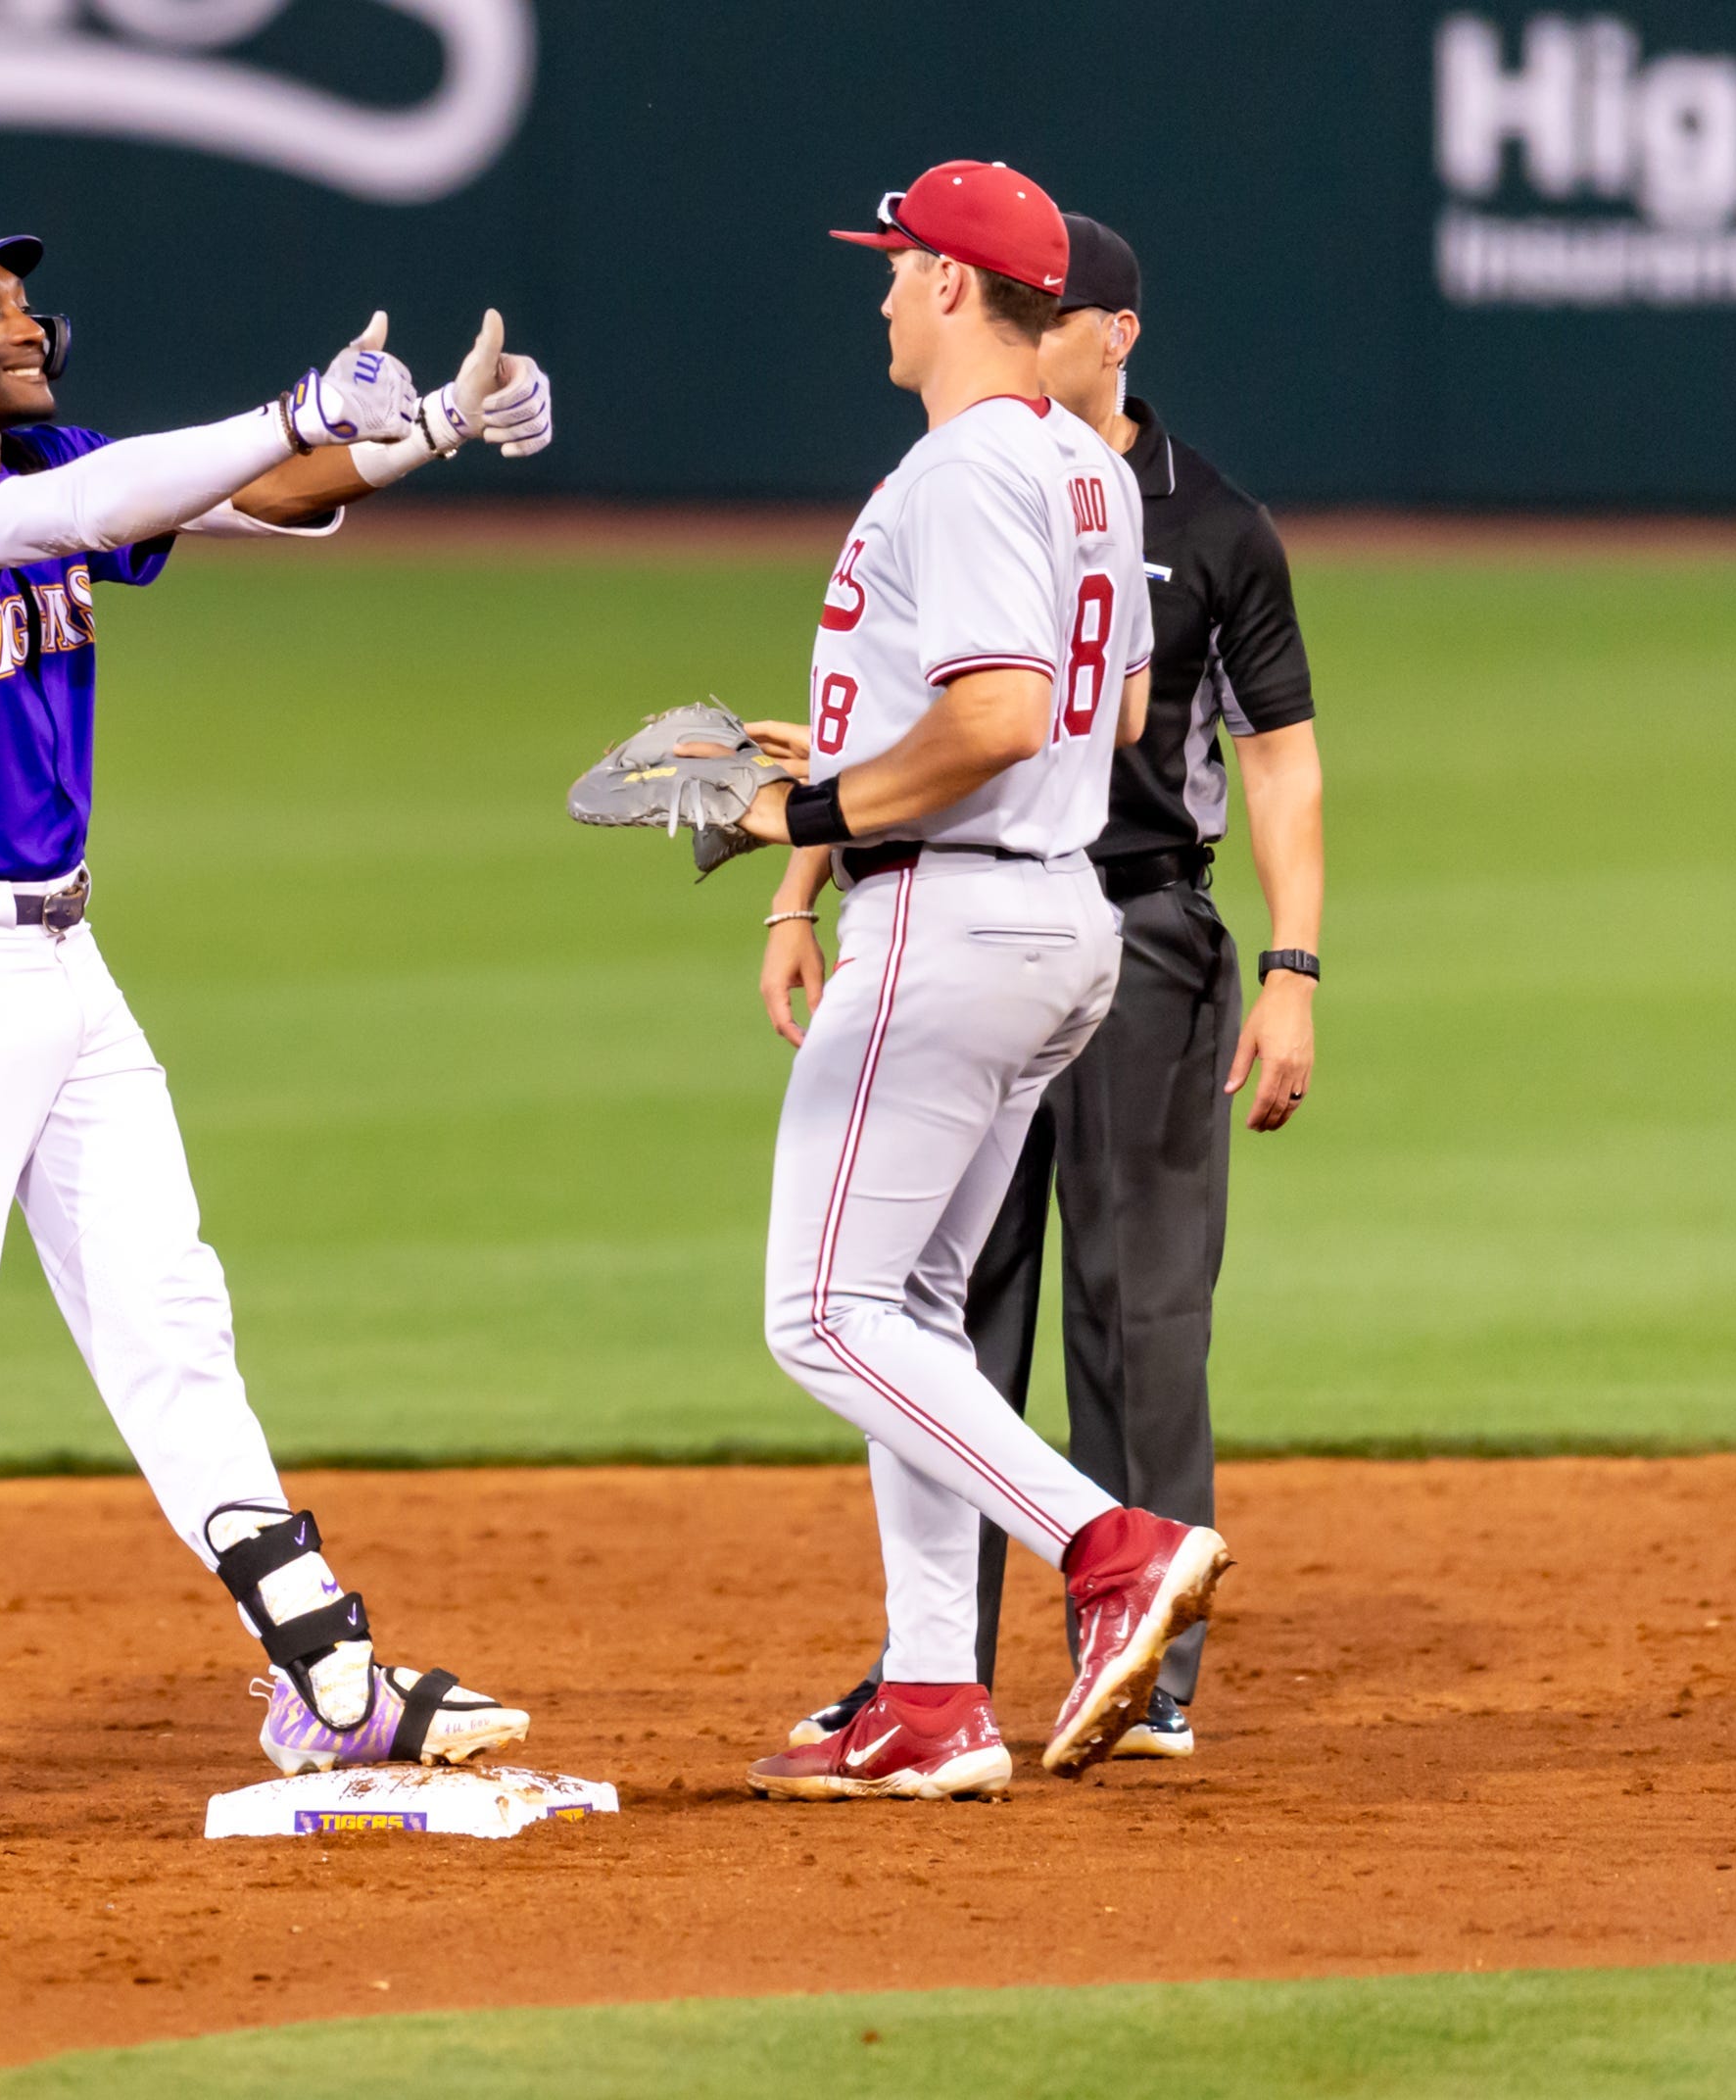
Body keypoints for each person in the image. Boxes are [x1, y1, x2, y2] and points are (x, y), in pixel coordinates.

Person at [0, 199, 555, 1840]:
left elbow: (239, 497)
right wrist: (292, 407)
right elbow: (111, 496)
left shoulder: (43, 459)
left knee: (169, 1311)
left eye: (13, 295)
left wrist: (418, 434)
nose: (17, 320)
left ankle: (330, 1685)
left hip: (65, 963)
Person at [711, 161, 1231, 1801]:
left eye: (893, 268)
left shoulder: (956, 472)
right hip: (1057, 914)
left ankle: (1108, 1547)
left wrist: (816, 805)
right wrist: (876, 748)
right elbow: (1118, 716)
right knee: (915, 1311)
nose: (877, 293)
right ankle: (935, 1696)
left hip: (953, 928)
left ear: (954, 287)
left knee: (820, 1314)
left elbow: (1003, 715)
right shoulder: (1094, 468)